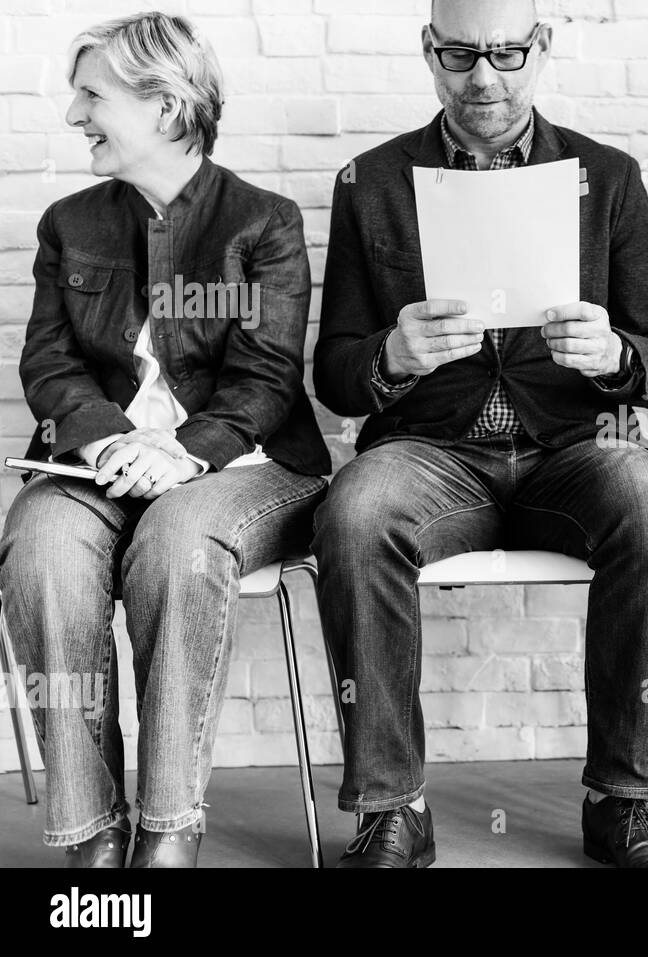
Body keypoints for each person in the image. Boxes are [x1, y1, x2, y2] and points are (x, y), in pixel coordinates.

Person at [311, 0, 648, 868]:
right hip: (431, 455)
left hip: (573, 449)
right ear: (428, 50)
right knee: (353, 510)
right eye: (459, 53)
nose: (482, 76)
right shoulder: (370, 181)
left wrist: (615, 356)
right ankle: (392, 809)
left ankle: (622, 802)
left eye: (506, 53)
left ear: (542, 48)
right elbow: (333, 371)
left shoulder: (610, 176)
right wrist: (392, 355)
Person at [0, 12, 331, 868]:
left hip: (244, 467)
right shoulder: (69, 224)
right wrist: (112, 442)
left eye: (92, 95)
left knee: (179, 539)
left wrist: (181, 453)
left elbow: (264, 382)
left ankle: (168, 826)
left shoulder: (263, 223)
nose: (74, 115)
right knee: (38, 542)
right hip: (101, 463)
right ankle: (91, 832)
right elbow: (50, 362)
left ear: (165, 104)